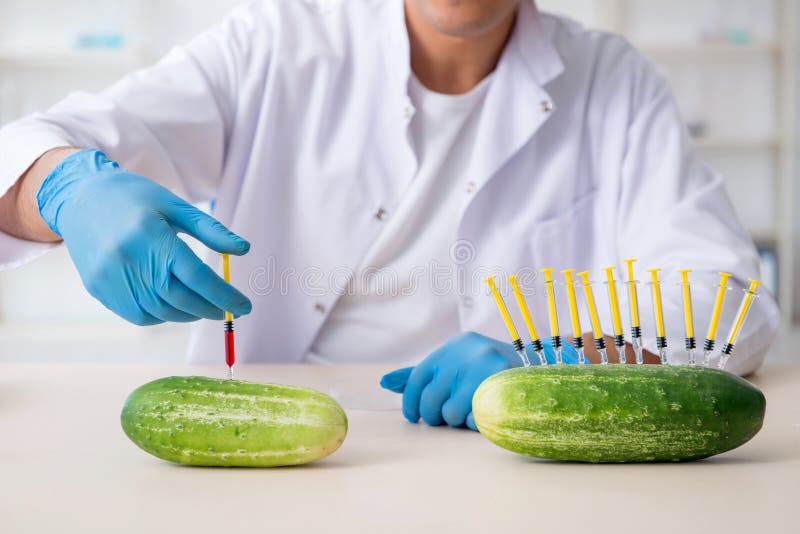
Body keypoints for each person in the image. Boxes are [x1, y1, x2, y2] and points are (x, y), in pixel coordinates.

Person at [0, 0, 778, 430]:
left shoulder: (614, 81)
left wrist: (557, 353)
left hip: (512, 460)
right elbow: (34, 150)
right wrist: (71, 190)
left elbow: (731, 302)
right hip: (268, 448)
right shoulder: (271, 45)